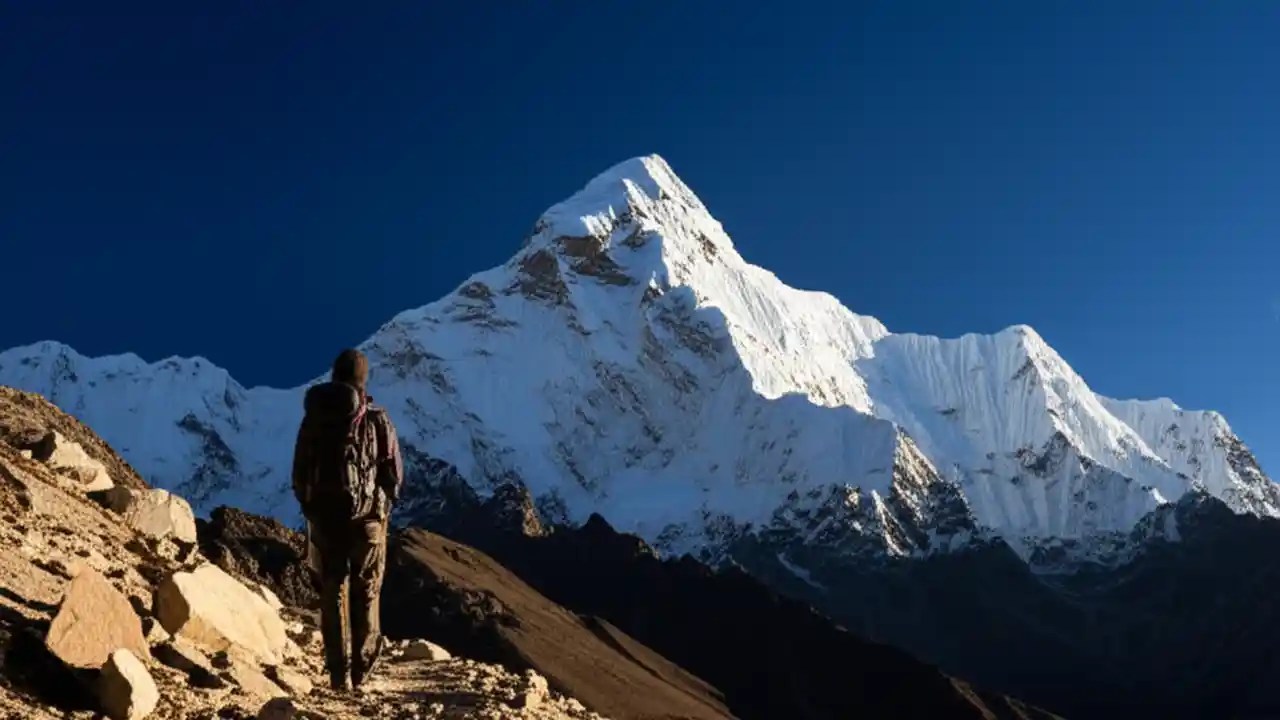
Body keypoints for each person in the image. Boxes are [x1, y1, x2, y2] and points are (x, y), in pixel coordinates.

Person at [291, 348, 403, 691]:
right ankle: (362, 668)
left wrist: (311, 508)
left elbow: (299, 471)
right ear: (363, 379)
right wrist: (383, 505)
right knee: (366, 588)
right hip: (367, 519)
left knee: (332, 591)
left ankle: (338, 673)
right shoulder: (376, 418)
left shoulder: (313, 418)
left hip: (325, 519)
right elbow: (394, 474)